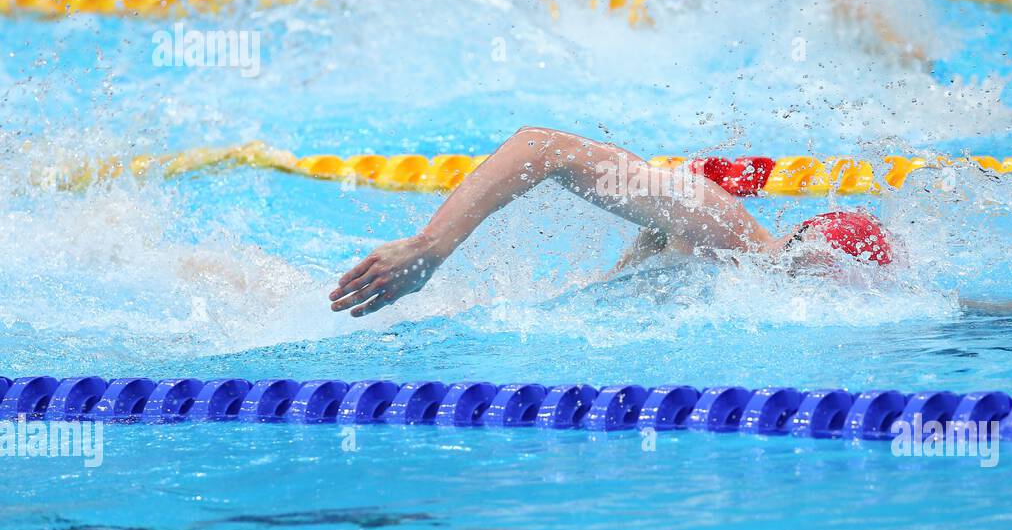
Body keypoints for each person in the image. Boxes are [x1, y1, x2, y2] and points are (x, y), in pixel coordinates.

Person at [329, 126, 892, 317]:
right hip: (396, 296)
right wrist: (430, 245)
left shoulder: (738, 285)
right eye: (822, 280)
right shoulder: (719, 223)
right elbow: (541, 147)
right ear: (804, 250)